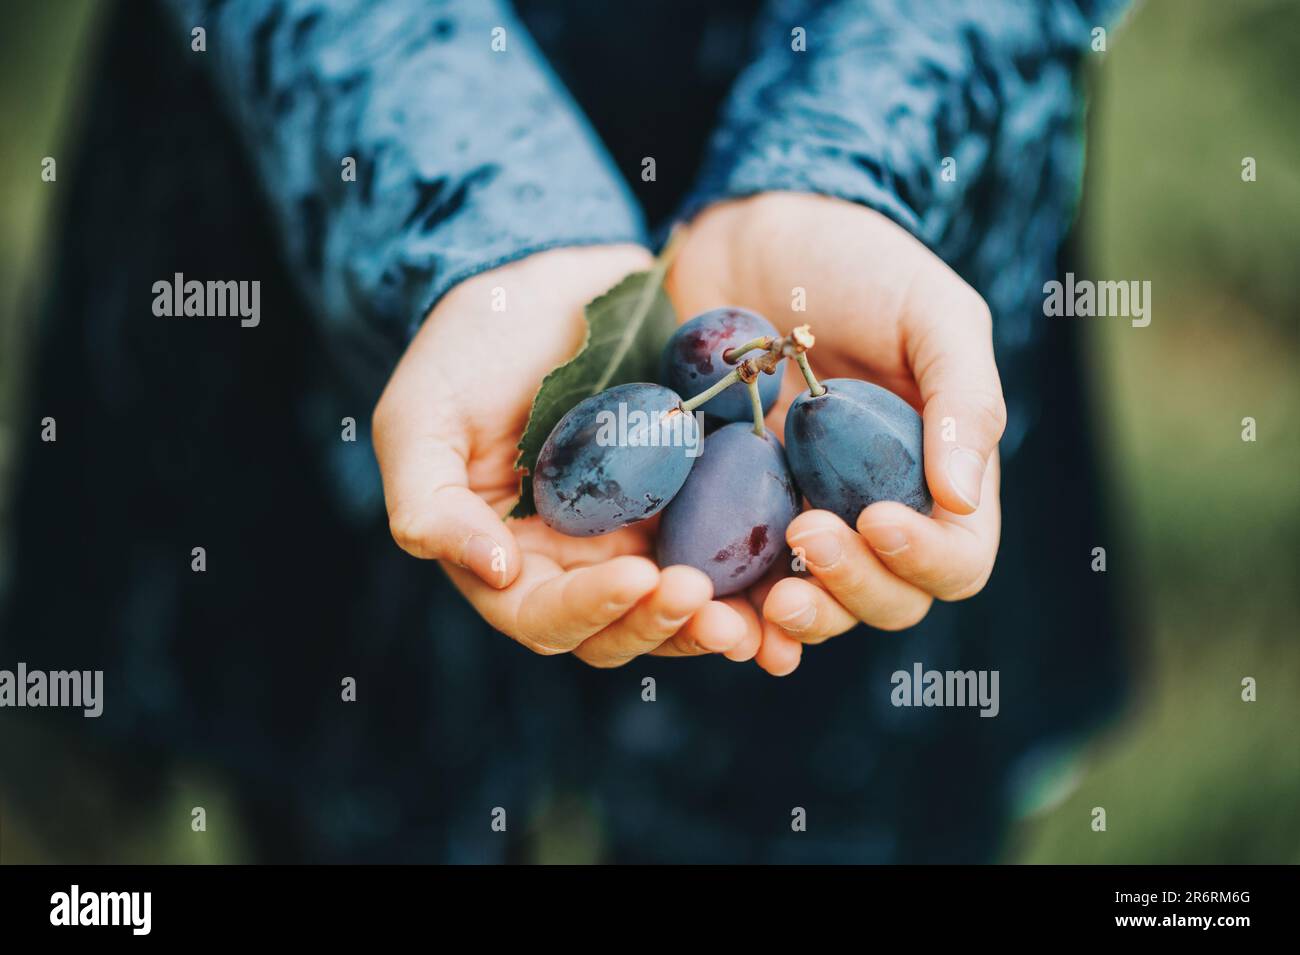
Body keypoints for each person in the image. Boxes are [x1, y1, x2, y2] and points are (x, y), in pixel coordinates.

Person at [2, 0, 1128, 862]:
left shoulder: (781, 399)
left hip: (878, 214)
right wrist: (481, 224)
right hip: (310, 218)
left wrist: (845, 162)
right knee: (361, 789)